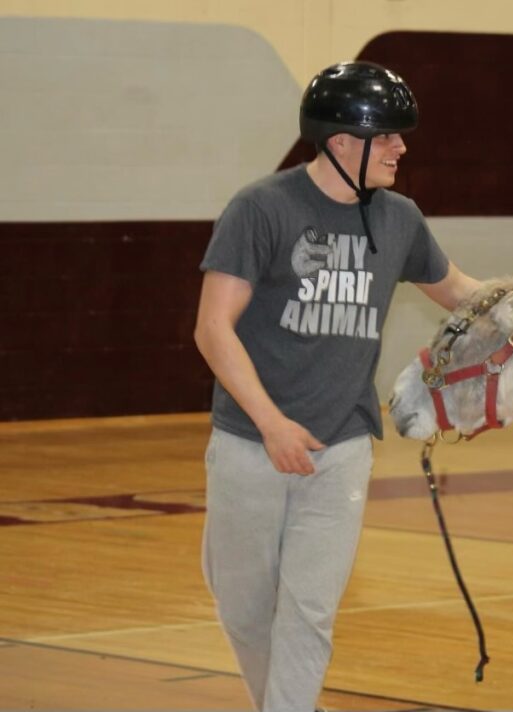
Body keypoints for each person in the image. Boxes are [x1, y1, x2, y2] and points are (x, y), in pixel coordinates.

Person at [193, 61, 480, 711]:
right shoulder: (261, 209)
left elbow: (462, 293)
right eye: (388, 137)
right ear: (341, 142)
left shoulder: (401, 219)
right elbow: (213, 329)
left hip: (343, 445)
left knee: (309, 612)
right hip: (251, 443)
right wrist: (271, 423)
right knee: (244, 609)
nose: (402, 148)